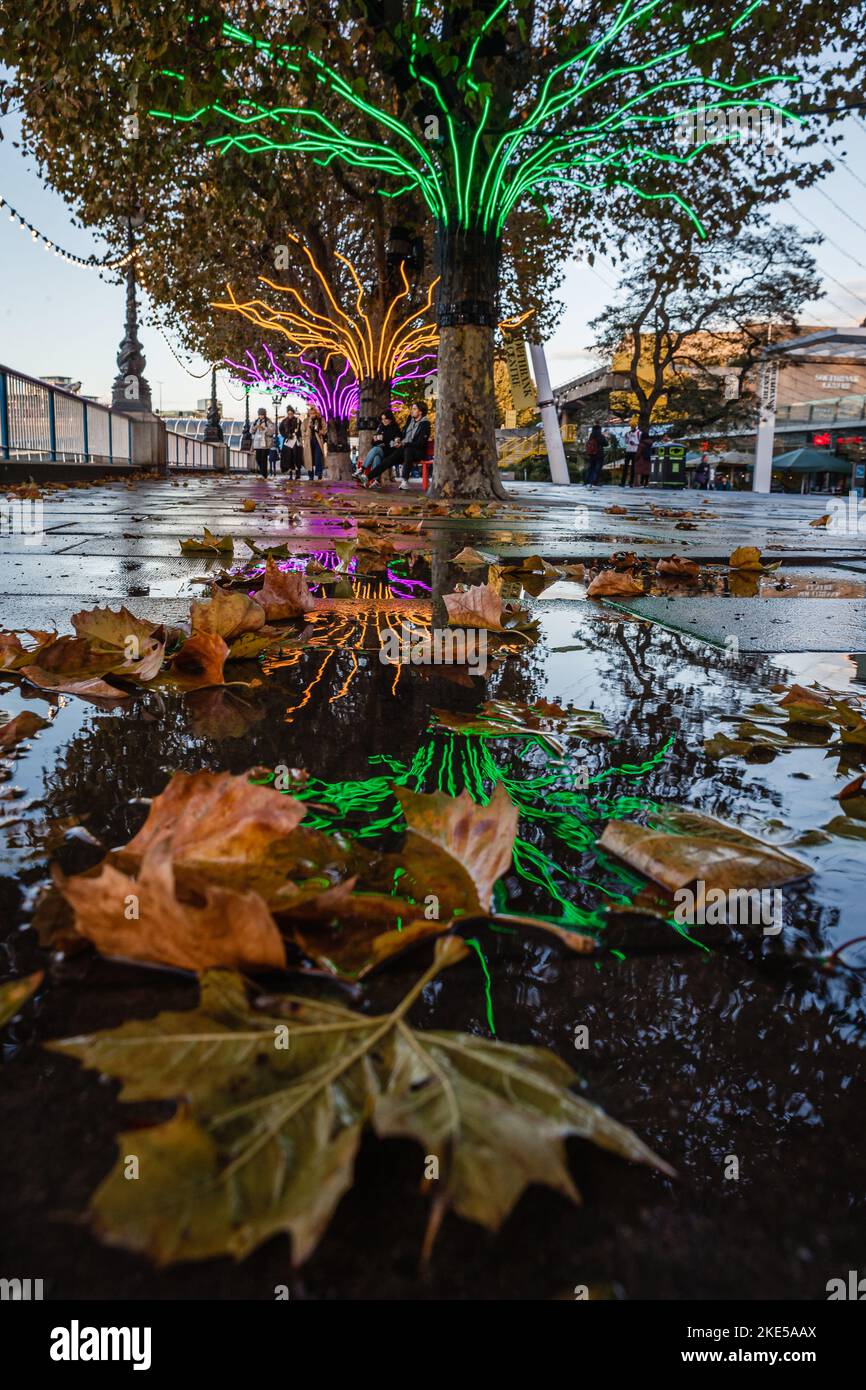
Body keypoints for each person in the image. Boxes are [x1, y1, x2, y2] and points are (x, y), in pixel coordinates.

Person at [367, 400, 430, 490]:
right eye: (412, 409)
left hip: (418, 452)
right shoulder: (410, 419)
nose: (412, 411)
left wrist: (404, 444)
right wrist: (398, 440)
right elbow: (403, 433)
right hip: (404, 449)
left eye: (415, 409)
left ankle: (405, 481)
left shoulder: (425, 424)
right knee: (389, 458)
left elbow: (420, 443)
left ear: (421, 412)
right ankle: (368, 477)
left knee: (408, 450)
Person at [354, 409, 401, 480]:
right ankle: (376, 481)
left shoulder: (395, 429)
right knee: (376, 456)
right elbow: (373, 442)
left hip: (390, 453)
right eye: (382, 419)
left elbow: (394, 443)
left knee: (376, 450)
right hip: (381, 451)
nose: (384, 421)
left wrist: (382, 441)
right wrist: (377, 440)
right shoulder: (381, 427)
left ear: (390, 419)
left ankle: (362, 469)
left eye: (385, 419)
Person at [279, 408, 303, 479]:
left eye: (291, 413)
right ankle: (290, 473)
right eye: (289, 413)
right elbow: (281, 430)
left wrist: (297, 434)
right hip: (288, 441)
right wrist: (286, 435)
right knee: (288, 457)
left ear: (293, 413)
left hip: (296, 440)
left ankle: (297, 472)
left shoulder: (298, 421)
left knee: (296, 456)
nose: (290, 415)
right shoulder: (284, 421)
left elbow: (301, 430)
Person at [251, 408, 274, 479]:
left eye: (262, 415)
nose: (261, 416)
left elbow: (271, 432)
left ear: (264, 415)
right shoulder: (255, 421)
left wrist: (264, 429)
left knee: (263, 459)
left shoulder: (268, 422)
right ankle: (262, 472)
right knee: (258, 458)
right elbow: (251, 431)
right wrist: (255, 428)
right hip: (257, 444)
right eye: (259, 415)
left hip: (265, 444)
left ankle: (264, 474)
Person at [303, 410, 326, 480]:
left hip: (318, 440)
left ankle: (319, 473)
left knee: (318, 457)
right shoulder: (306, 420)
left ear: (316, 413)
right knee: (309, 458)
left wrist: (320, 432)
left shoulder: (320, 419)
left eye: (313, 413)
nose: (312, 415)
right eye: (311, 413)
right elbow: (303, 431)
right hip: (309, 441)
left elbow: (325, 429)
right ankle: (310, 474)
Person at [623, 421, 640, 487]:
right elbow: (626, 442)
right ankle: (623, 482)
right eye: (631, 426)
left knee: (633, 468)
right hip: (628, 451)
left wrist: (635, 443)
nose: (632, 427)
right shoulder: (628, 433)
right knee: (625, 467)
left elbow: (640, 442)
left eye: (633, 426)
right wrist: (626, 438)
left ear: (636, 426)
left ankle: (631, 483)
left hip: (635, 451)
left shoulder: (639, 433)